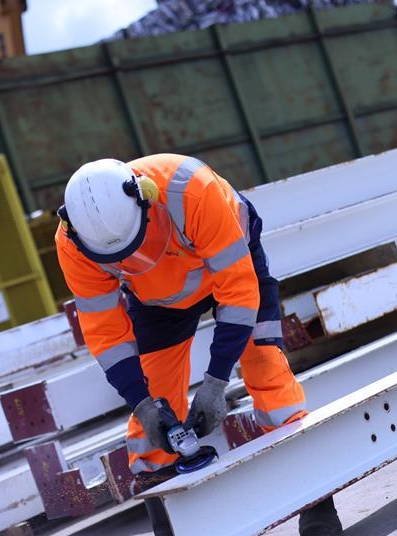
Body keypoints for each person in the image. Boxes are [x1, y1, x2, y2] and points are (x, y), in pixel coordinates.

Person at [55, 154, 341, 535]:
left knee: (266, 370)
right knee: (151, 417)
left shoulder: (191, 189)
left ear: (145, 199)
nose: (125, 258)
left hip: (234, 266)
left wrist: (216, 383)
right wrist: (141, 403)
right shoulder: (74, 241)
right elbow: (106, 334)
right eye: (116, 255)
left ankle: (317, 507)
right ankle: (169, 523)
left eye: (129, 246)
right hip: (159, 299)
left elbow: (238, 293)